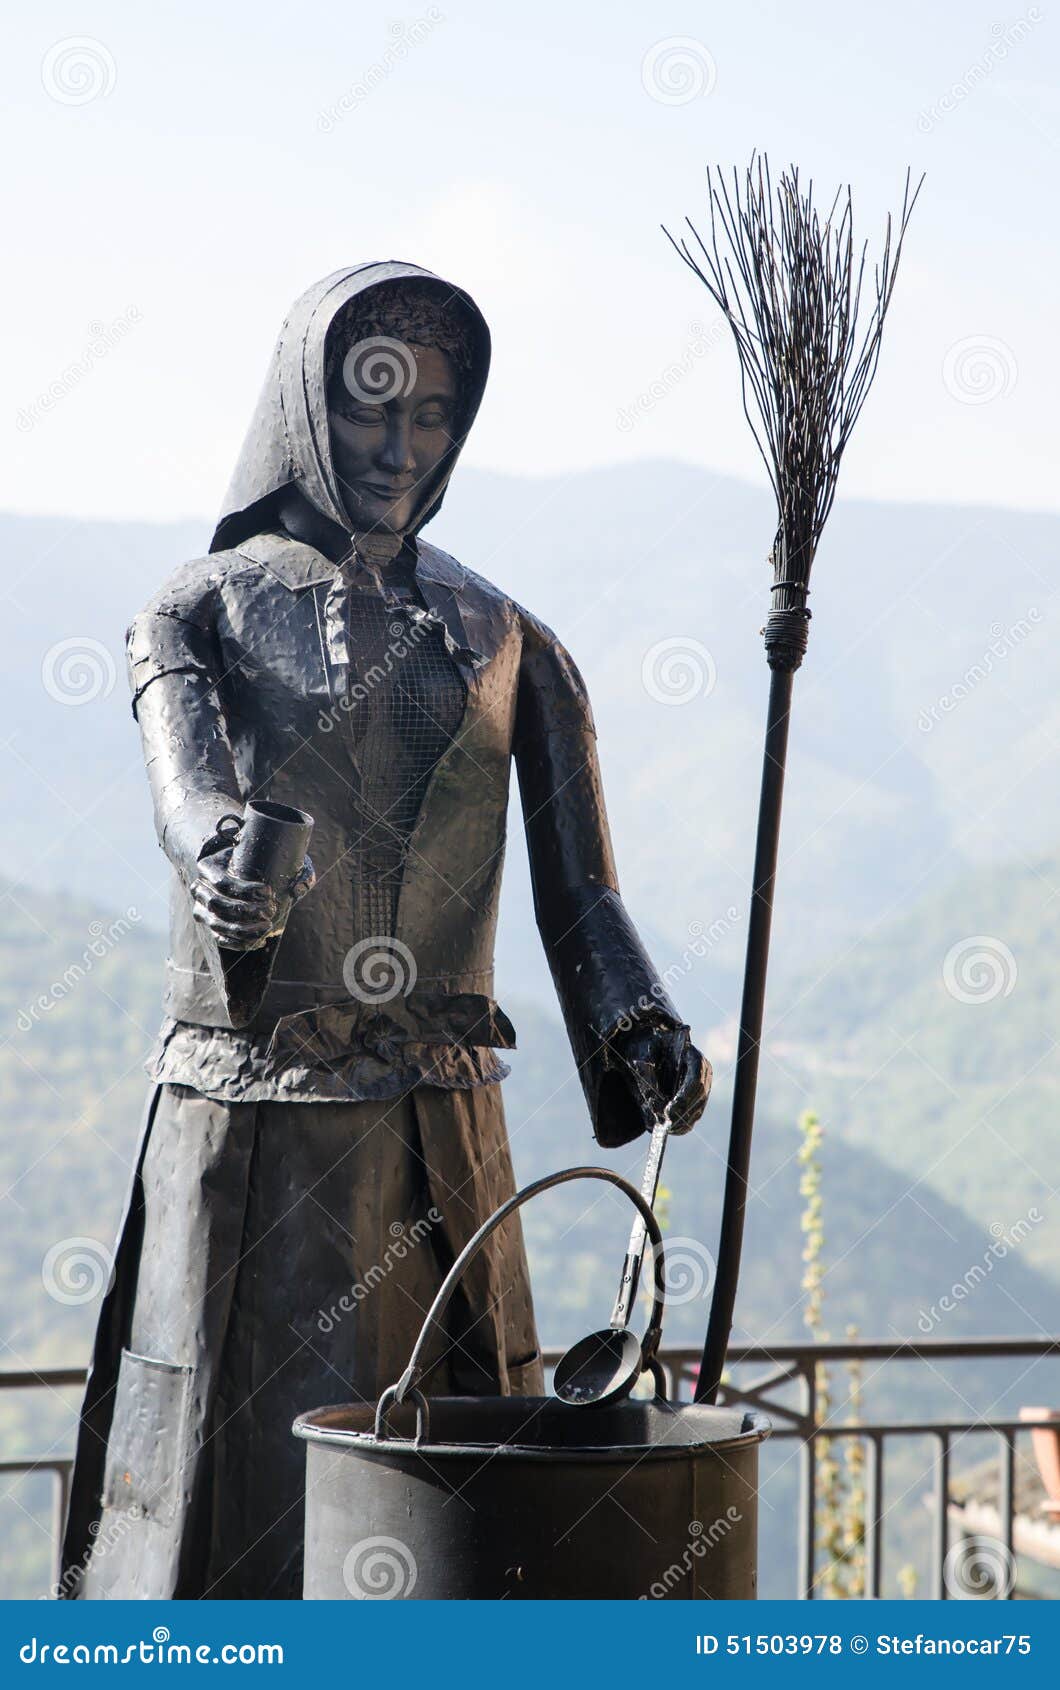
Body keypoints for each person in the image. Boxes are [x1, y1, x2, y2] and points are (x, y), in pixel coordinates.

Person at [61, 262, 710, 1598]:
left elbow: (582, 893)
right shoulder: (196, 608)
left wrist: (630, 1020)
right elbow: (191, 799)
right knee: (234, 1508)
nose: (402, 444)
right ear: (304, 408)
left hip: (444, 1138)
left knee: (458, 1505)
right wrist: (222, 867)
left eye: (432, 412)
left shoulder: (513, 638)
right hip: (255, 1127)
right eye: (372, 408)